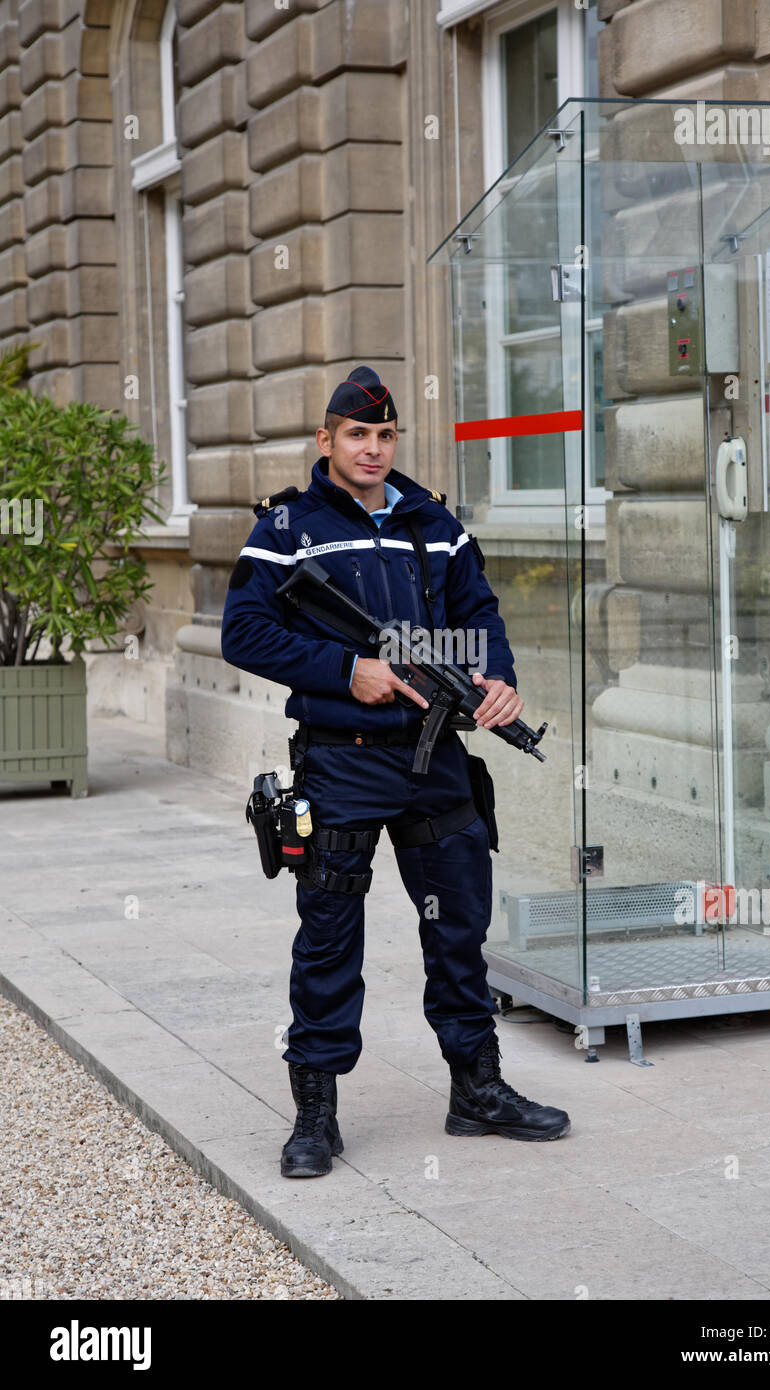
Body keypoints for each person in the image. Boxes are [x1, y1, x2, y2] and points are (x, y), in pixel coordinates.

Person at [221, 365, 570, 1178]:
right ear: (326, 441)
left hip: (435, 761)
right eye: (356, 435)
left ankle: (476, 1090)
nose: (372, 448)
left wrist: (497, 677)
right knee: (330, 940)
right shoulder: (286, 527)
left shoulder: (433, 522)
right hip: (341, 767)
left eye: (384, 436)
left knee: (458, 932)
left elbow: (478, 612)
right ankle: (315, 1114)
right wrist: (347, 671)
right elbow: (244, 633)